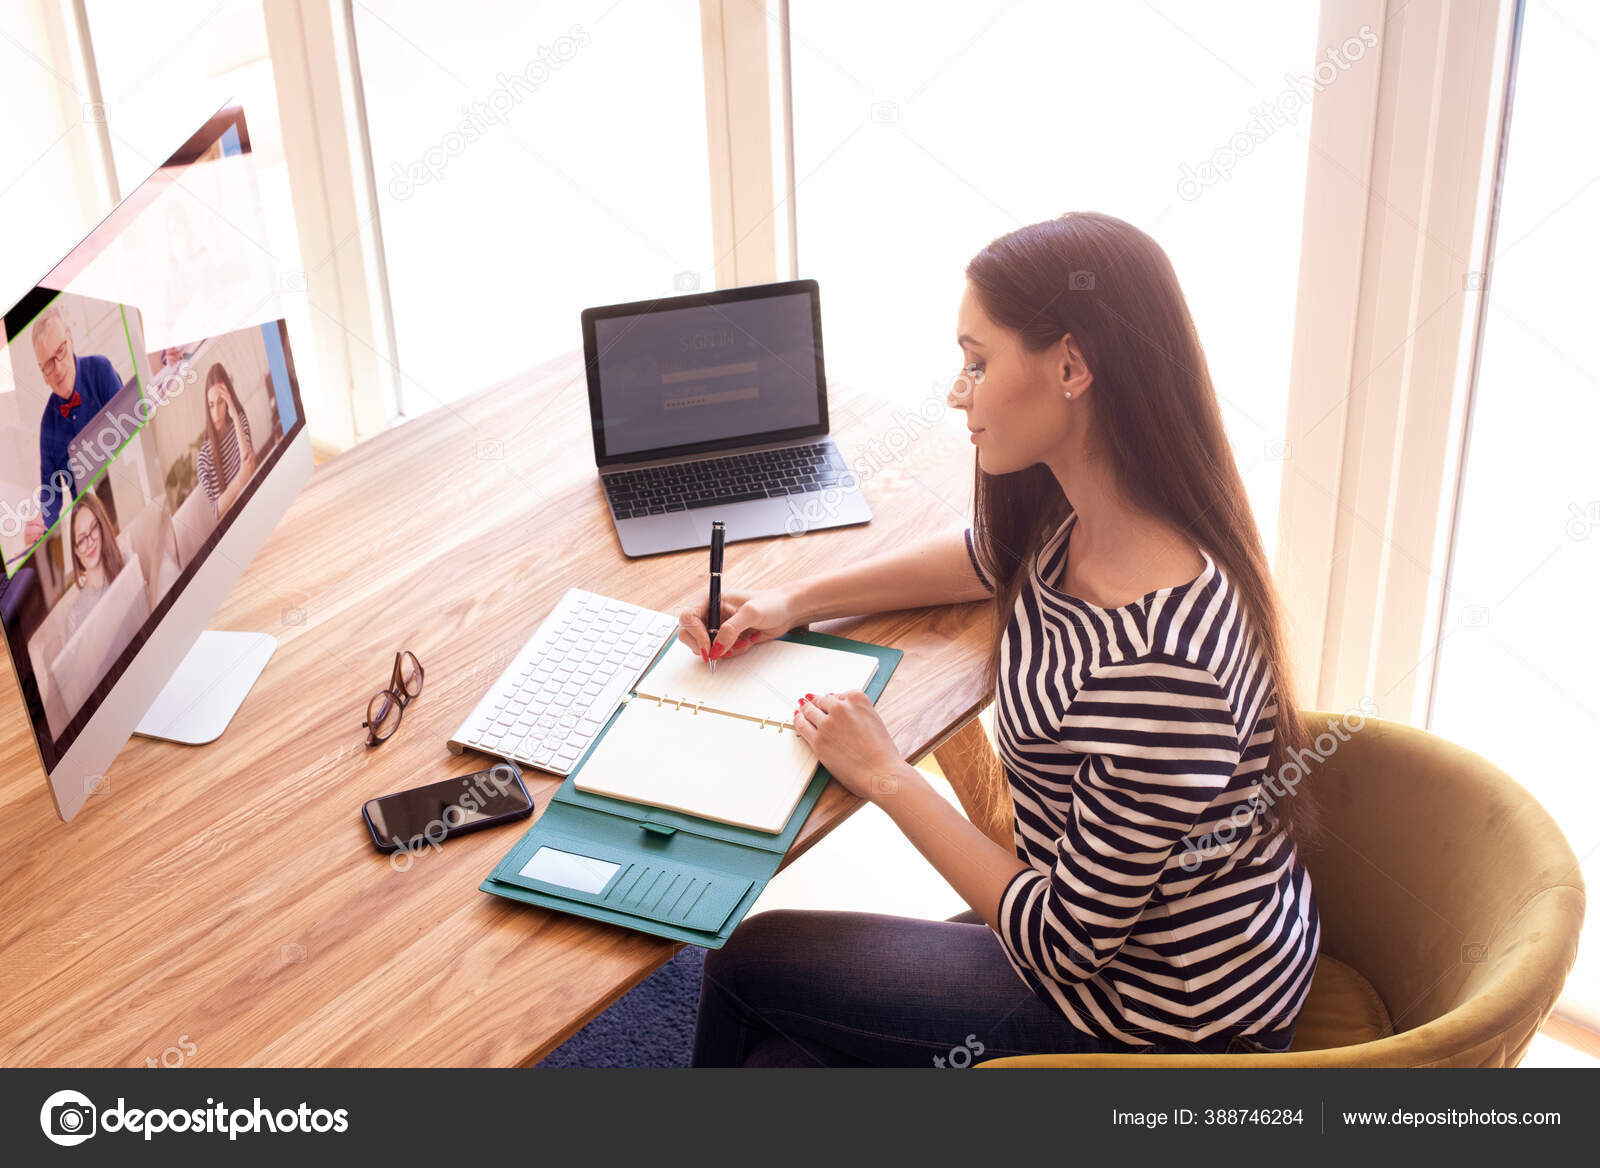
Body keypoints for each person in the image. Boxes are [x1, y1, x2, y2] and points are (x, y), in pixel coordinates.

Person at [677, 212, 1321, 1067]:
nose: (956, 392)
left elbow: (1063, 946)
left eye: (977, 362)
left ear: (1071, 365)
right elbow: (985, 559)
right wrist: (792, 601)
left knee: (744, 965)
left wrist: (886, 775)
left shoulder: (1167, 665)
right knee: (778, 1053)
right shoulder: (1090, 514)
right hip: (1111, 939)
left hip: (1154, 1019)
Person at [22, 305, 124, 544]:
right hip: (93, 531)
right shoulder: (48, 424)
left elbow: (134, 438)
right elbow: (51, 495)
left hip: (129, 493)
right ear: (42, 374)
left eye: (60, 351)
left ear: (71, 338)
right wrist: (40, 527)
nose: (57, 369)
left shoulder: (101, 371)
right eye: (47, 364)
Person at [196, 363, 257, 519]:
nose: (216, 412)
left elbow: (249, 465)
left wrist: (234, 415)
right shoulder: (204, 457)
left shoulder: (239, 421)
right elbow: (214, 513)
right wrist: (240, 479)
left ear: (228, 399)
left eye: (221, 402)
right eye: (211, 406)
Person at [63, 493, 126, 638]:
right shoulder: (75, 615)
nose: (90, 542)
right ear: (76, 551)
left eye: (94, 528)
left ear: (102, 527)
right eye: (81, 539)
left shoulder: (127, 564)